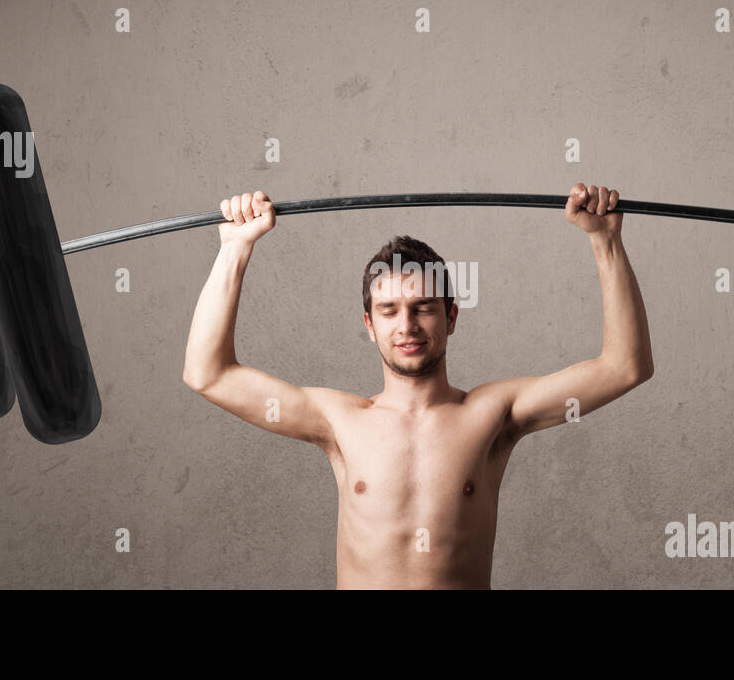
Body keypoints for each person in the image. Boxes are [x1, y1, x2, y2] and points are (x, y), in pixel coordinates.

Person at [183, 182, 654, 588]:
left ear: (451, 316)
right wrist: (235, 248)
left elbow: (624, 366)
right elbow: (209, 373)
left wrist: (605, 242)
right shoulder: (338, 419)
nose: (405, 325)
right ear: (369, 324)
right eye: (388, 311)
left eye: (423, 307)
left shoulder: (493, 414)